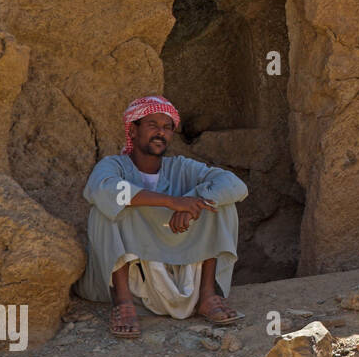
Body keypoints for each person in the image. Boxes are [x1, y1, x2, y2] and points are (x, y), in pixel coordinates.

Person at [78, 95, 248, 338]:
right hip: (138, 277)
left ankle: (208, 296)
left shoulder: (181, 167)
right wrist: (173, 202)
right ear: (133, 130)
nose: (161, 133)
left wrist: (192, 205)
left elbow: (234, 185)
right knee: (105, 210)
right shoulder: (114, 165)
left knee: (218, 203)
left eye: (167, 128)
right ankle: (123, 304)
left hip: (179, 264)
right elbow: (103, 189)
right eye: (152, 125)